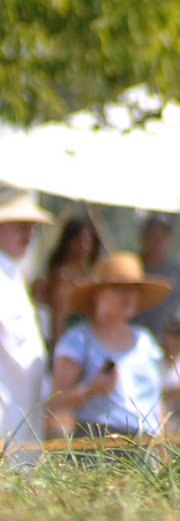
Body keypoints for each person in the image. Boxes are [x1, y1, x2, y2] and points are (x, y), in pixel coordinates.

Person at [49, 253, 168, 441]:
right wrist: (92, 390)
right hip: (101, 443)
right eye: (120, 288)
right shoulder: (78, 340)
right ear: (98, 293)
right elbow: (54, 401)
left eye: (135, 289)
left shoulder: (145, 341)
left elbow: (158, 403)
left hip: (147, 444)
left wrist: (165, 453)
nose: (129, 296)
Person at [0, 186, 54, 459]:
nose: (29, 234)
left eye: (32, 227)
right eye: (20, 226)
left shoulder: (13, 276)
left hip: (20, 422)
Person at [132, 215, 180, 340]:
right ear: (143, 237)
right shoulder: (132, 268)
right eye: (153, 236)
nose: (158, 241)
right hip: (135, 340)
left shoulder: (178, 272)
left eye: (163, 237)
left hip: (167, 345)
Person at [35, 213, 100, 348]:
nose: (84, 247)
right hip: (69, 346)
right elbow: (59, 320)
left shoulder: (89, 275)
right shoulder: (63, 277)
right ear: (68, 242)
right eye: (79, 241)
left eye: (88, 241)